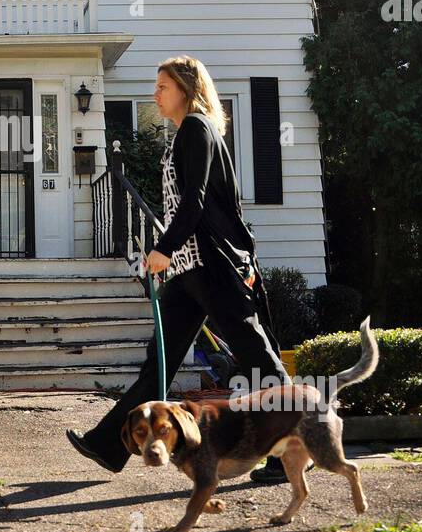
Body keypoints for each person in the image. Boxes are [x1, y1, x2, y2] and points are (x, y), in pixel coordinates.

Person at [67, 55, 293, 483]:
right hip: (188, 272)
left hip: (211, 266)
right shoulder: (185, 134)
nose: (155, 94)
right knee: (159, 365)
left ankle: (292, 450)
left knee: (257, 356)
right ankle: (107, 444)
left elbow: (195, 201)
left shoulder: (196, 127)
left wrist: (163, 249)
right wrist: (171, 256)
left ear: (187, 89)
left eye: (163, 86)